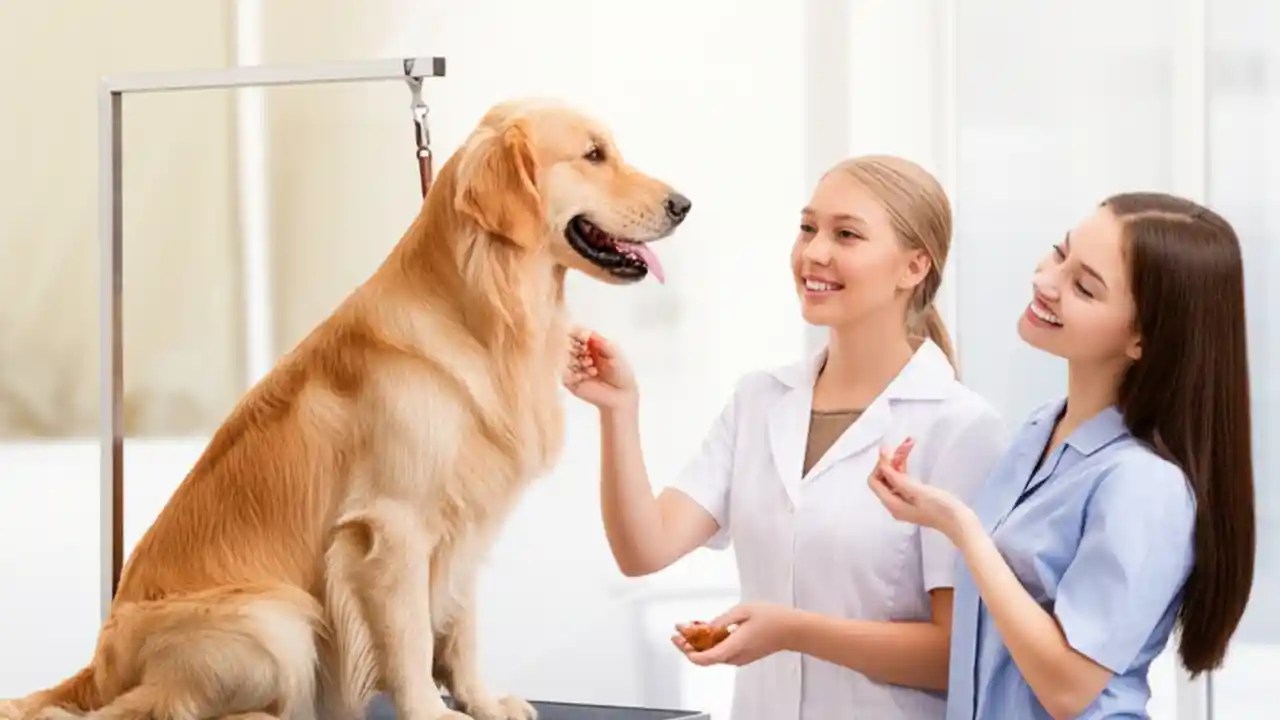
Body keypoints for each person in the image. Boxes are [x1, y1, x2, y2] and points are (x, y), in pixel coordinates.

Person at [564, 155, 1009, 719]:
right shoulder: (761, 401)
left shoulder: (959, 427)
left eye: (846, 234)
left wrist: (793, 631)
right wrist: (618, 410)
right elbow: (643, 549)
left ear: (914, 266)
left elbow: (956, 655)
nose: (814, 252)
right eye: (807, 228)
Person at [867, 192, 1257, 719]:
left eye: (1084, 286)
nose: (1045, 281)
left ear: (1142, 337)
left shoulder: (1145, 485)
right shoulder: (1039, 428)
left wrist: (959, 527)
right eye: (1059, 253)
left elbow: (1068, 688)